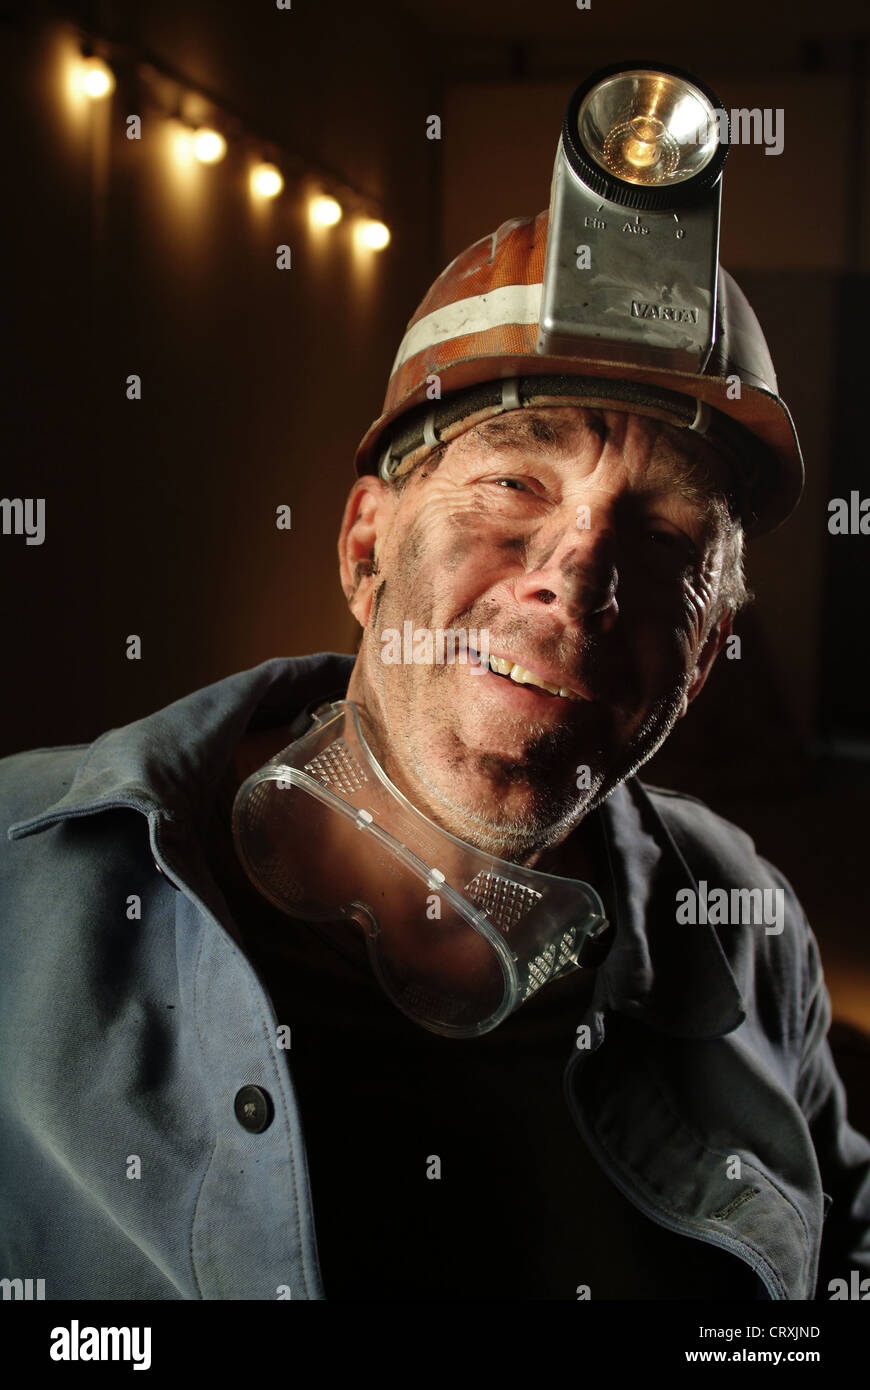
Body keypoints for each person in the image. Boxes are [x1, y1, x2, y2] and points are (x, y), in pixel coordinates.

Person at [1, 189, 869, 1301]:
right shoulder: (25, 886)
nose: (578, 580)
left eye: (662, 538)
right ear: (367, 544)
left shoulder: (750, 934)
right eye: (514, 481)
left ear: (703, 656)